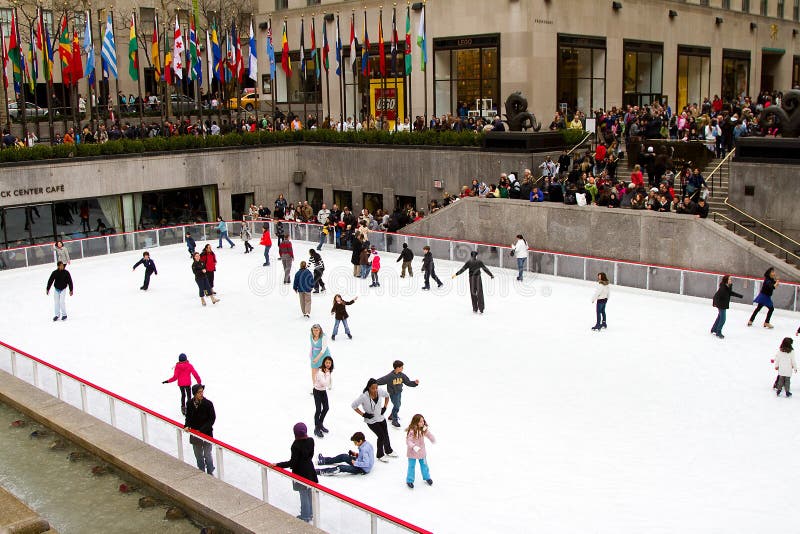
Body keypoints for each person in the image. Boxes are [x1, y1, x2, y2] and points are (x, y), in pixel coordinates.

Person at [275, 422, 318, 523]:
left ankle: (305, 515)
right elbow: (310, 455)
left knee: (303, 494)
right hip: (310, 471)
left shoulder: (295, 445)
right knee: (309, 492)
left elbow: (293, 463)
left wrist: (278, 464)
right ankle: (311, 513)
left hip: (300, 474)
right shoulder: (311, 441)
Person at [351, 378, 395, 462]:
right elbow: (353, 406)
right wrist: (363, 414)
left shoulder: (380, 391)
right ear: (368, 387)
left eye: (376, 387)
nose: (375, 390)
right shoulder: (364, 396)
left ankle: (388, 450)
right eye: (372, 388)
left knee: (385, 434)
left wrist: (385, 407)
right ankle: (380, 455)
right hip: (371, 421)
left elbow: (387, 396)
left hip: (380, 417)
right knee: (381, 436)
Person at [376, 360, 419, 428]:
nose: (402, 368)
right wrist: (373, 382)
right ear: (397, 368)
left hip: (399, 393)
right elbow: (382, 380)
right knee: (397, 405)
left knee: (397, 405)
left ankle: (391, 416)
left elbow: (408, 382)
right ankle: (394, 420)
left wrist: (414, 383)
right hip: (393, 394)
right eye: (401, 367)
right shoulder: (390, 376)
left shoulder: (402, 375)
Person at [184, 384, 216, 474]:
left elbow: (212, 419)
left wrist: (201, 431)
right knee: (198, 455)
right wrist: (186, 425)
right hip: (195, 434)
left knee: (207, 454)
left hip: (207, 433)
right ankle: (201, 472)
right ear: (194, 393)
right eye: (199, 392)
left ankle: (210, 472)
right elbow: (188, 417)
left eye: (202, 391)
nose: (201, 394)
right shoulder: (190, 403)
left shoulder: (208, 404)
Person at [405, 414, 435, 489]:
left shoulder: (423, 429)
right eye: (421, 421)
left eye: (423, 421)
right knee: (411, 466)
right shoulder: (412, 431)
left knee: (424, 465)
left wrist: (432, 438)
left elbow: (428, 435)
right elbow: (408, 441)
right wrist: (414, 446)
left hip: (421, 451)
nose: (423, 423)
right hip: (412, 452)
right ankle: (409, 480)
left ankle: (427, 477)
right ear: (416, 422)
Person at [312, 356, 334, 438]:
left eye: (329, 363)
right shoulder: (321, 372)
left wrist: (328, 374)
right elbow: (325, 383)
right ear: (324, 363)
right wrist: (328, 374)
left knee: (326, 408)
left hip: (323, 391)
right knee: (318, 410)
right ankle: (316, 428)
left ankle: (320, 424)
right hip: (317, 391)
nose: (328, 364)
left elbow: (327, 383)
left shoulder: (327, 371)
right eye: (326, 362)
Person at [308, 324, 331, 388]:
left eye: (317, 330)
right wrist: (311, 354)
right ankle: (315, 387)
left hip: (324, 354)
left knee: (325, 370)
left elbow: (324, 348)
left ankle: (328, 383)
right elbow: (312, 345)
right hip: (315, 354)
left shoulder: (323, 337)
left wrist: (317, 358)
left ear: (320, 330)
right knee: (314, 371)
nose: (315, 332)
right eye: (314, 330)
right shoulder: (311, 336)